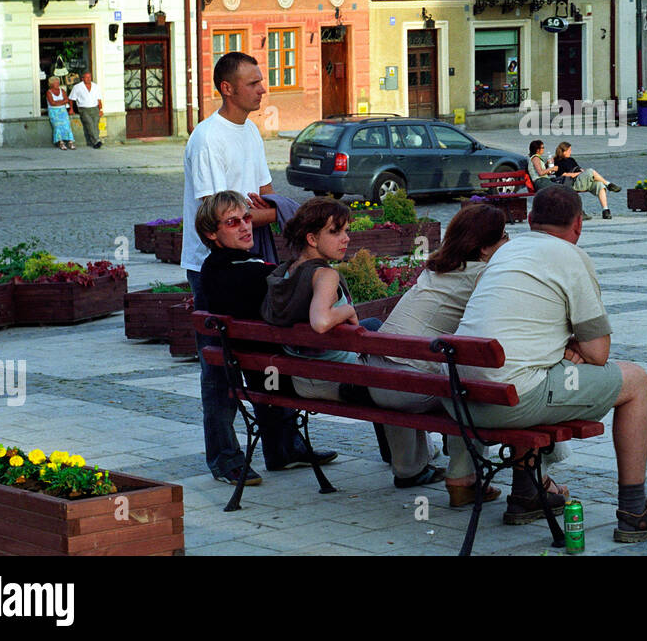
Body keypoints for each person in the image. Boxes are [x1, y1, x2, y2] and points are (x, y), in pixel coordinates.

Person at [450, 185, 647, 542]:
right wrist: (568, 344)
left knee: (529, 369)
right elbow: (598, 354)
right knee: (636, 381)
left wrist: (556, 344)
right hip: (508, 401)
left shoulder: (506, 252)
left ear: (530, 220)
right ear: (578, 225)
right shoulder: (571, 257)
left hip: (462, 399)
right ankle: (634, 511)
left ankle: (528, 492)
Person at [182, 51, 334, 485]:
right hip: (213, 267)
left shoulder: (248, 130)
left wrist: (274, 208)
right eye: (253, 83)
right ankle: (225, 458)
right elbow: (220, 217)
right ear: (227, 89)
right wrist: (291, 211)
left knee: (269, 354)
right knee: (220, 365)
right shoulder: (209, 138)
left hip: (253, 261)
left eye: (262, 81)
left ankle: (282, 447)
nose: (263, 89)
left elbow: (263, 194)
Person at [260, 197, 443, 489]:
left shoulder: (284, 273)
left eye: (346, 230)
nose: (346, 238)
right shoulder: (324, 275)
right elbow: (320, 322)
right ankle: (411, 468)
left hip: (303, 377)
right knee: (400, 379)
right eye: (336, 231)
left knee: (378, 337)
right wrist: (347, 310)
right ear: (311, 238)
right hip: (336, 380)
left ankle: (411, 451)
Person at [369, 204, 510, 508]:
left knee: (415, 366)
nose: (508, 243)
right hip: (406, 388)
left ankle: (409, 469)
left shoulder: (439, 267)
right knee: (472, 390)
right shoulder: (484, 275)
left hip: (376, 378)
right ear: (485, 248)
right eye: (504, 237)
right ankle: (466, 478)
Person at [193, 190, 323, 488]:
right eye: (232, 222)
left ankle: (278, 448)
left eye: (247, 218)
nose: (245, 226)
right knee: (220, 380)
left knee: (228, 371)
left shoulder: (214, 270)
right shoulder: (253, 272)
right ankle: (262, 451)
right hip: (282, 371)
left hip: (257, 363)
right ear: (211, 233)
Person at [551, 141, 618, 219]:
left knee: (599, 184)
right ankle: (608, 184)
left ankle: (606, 210)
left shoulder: (571, 159)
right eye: (569, 150)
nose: (571, 152)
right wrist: (578, 174)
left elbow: (579, 168)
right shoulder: (557, 161)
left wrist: (582, 172)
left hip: (581, 181)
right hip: (571, 182)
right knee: (590, 171)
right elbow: (562, 175)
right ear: (563, 151)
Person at [68, 71, 104, 148]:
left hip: (95, 108)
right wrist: (71, 109)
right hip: (83, 108)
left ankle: (95, 142)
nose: (88, 79)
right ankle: (96, 141)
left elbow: (99, 99)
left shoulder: (95, 86)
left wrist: (101, 109)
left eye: (89, 77)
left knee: (95, 125)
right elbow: (71, 99)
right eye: (86, 77)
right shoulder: (77, 87)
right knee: (89, 123)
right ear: (82, 78)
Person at [46, 76, 75, 150]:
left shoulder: (62, 90)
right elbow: (52, 103)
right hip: (54, 112)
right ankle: (60, 142)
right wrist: (62, 102)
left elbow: (66, 100)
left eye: (58, 82)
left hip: (63, 111)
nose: (58, 84)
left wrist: (58, 102)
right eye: (56, 83)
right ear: (51, 84)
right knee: (57, 127)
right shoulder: (49, 92)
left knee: (67, 125)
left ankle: (70, 142)